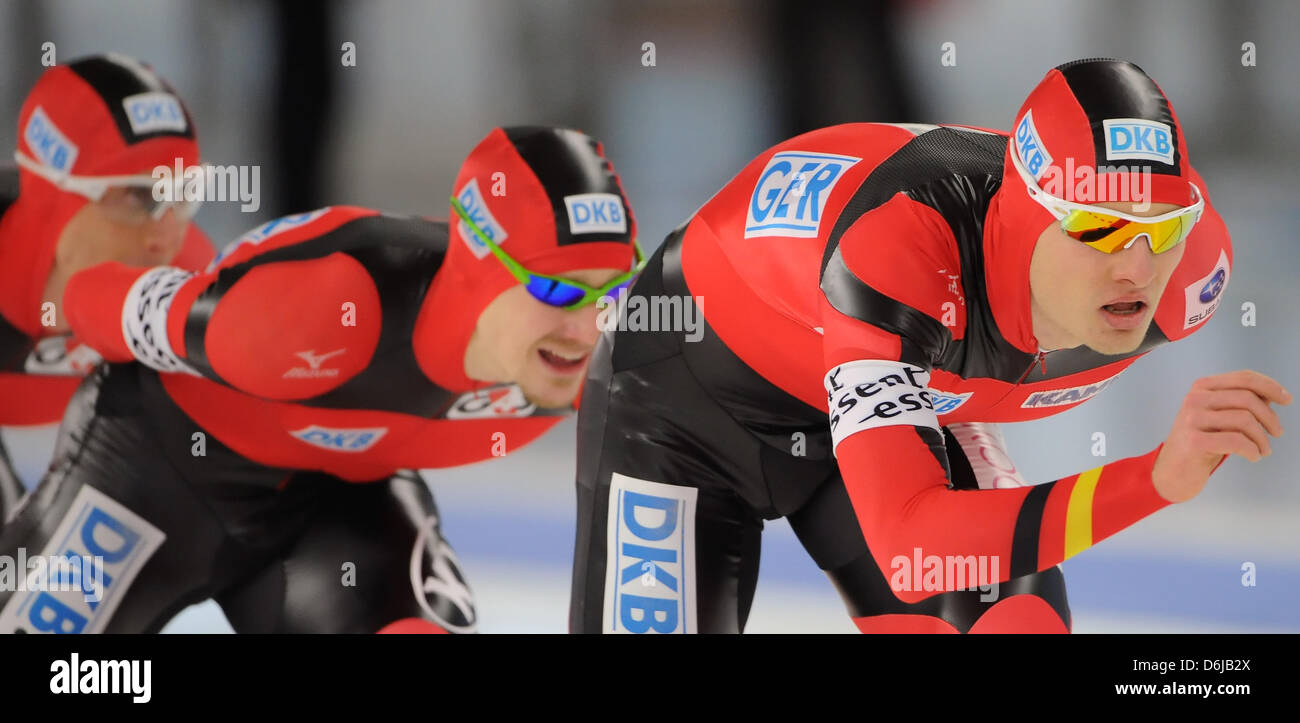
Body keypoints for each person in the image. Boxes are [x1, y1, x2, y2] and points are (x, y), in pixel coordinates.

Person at [569, 58, 1289, 634]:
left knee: (1014, 625)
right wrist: (1155, 479)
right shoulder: (904, 248)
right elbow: (914, 551)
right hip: (686, 396)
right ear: (1024, 212)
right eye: (1095, 228)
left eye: (1161, 228)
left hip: (897, 386)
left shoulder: (1191, 274)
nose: (1136, 267)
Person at [0, 125, 642, 633]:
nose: (588, 330)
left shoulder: (612, 356)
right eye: (557, 289)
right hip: (152, 468)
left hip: (336, 503)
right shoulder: (322, 314)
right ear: (477, 265)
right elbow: (90, 295)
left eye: (611, 291)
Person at [0, 54, 215, 519]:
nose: (165, 237)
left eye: (184, 195)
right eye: (140, 196)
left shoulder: (188, 276)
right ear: (52, 196)